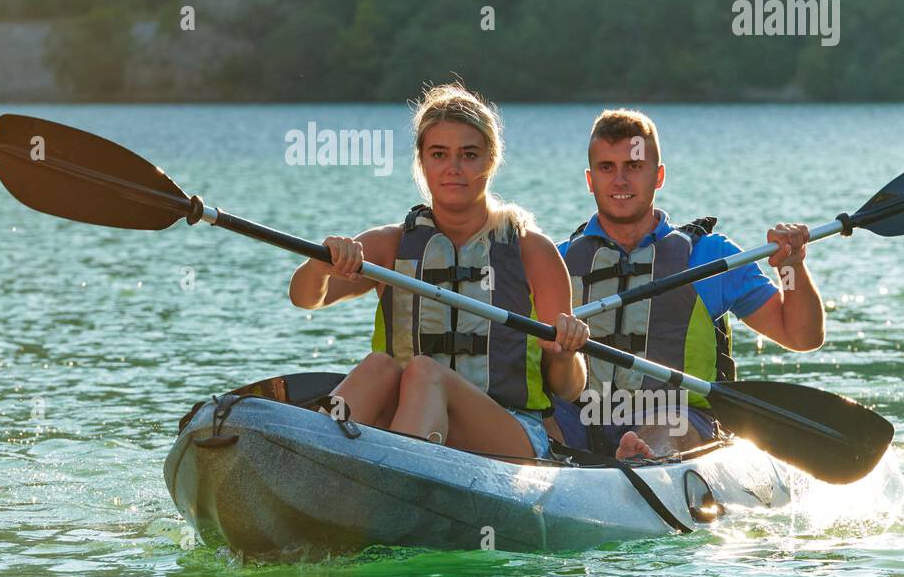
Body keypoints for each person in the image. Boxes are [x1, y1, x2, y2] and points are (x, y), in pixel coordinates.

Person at [288, 83, 590, 459]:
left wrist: (563, 353)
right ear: (422, 162)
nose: (453, 168)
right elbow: (304, 298)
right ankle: (307, 463)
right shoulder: (389, 245)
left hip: (510, 434)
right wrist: (319, 266)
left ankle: (392, 484)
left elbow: (571, 388)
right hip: (409, 421)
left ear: (491, 160)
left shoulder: (533, 251)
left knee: (424, 372)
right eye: (439, 154)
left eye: (469, 155)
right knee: (380, 366)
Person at [550, 108, 826, 459]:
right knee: (535, 415)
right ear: (591, 180)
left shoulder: (709, 257)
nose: (620, 181)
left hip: (676, 417)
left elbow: (801, 337)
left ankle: (641, 458)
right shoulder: (556, 261)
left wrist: (791, 267)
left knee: (670, 426)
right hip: (581, 418)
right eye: (607, 168)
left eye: (634, 166)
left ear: (658, 175)